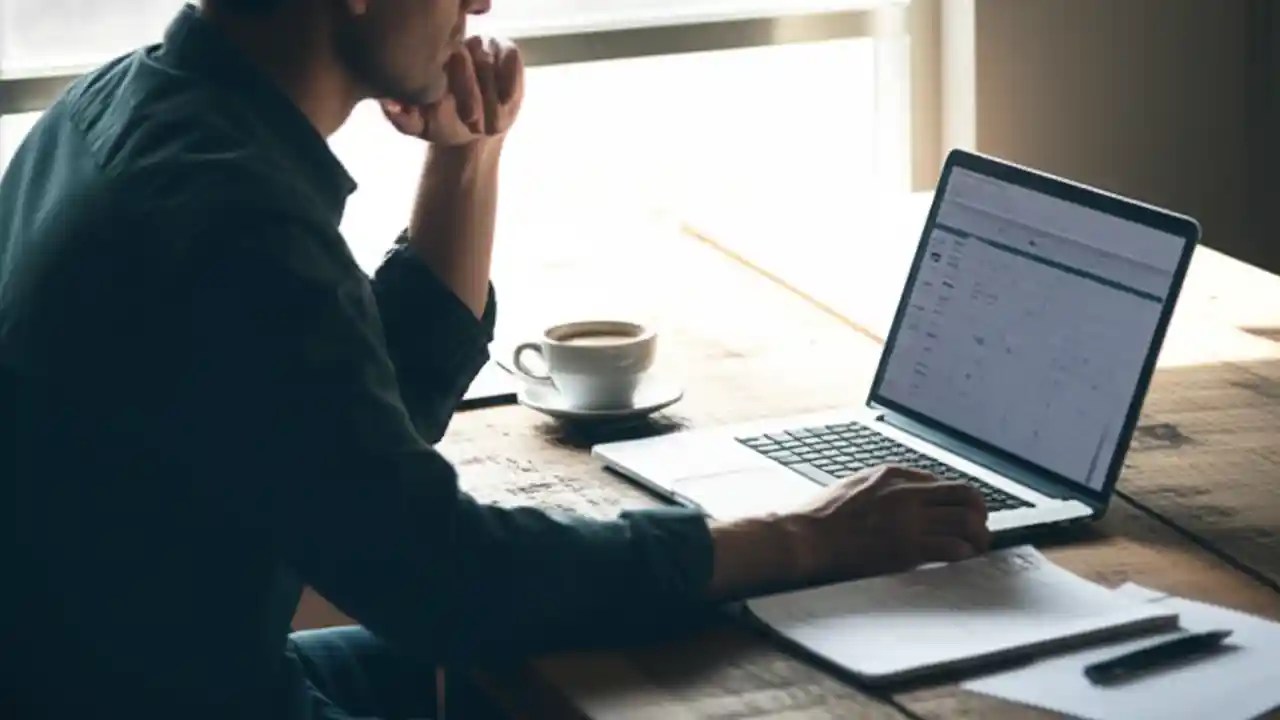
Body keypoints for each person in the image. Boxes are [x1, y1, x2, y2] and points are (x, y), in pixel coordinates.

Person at [0, 1, 991, 718]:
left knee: (618, 637)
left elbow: (357, 420)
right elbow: (443, 579)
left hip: (156, 676)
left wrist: (464, 156)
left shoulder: (120, 107)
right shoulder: (231, 219)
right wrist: (801, 538)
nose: (478, 3)